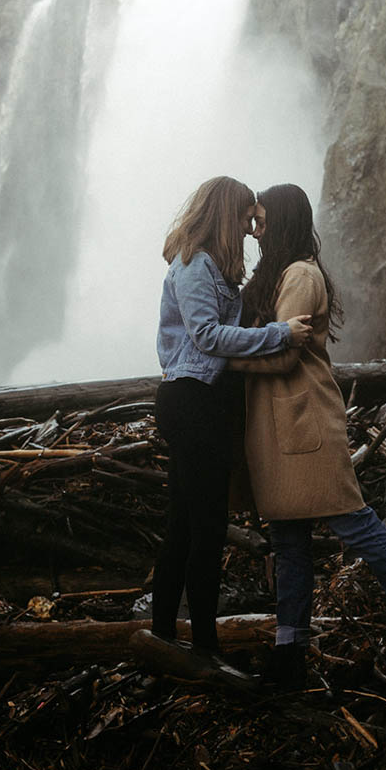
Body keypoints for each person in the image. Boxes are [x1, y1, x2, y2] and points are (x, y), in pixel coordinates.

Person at [229, 183, 386, 688]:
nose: (255, 229)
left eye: (262, 219)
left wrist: (220, 357)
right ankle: (290, 656)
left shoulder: (302, 275)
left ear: (282, 220)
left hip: (306, 422)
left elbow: (284, 354)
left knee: (359, 526)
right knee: (288, 543)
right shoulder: (276, 274)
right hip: (279, 428)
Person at [146, 176, 313, 657]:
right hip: (192, 402)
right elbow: (207, 336)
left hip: (199, 402)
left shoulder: (211, 268)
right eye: (245, 216)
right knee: (207, 528)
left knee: (183, 523)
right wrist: (279, 334)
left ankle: (163, 635)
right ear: (226, 214)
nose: (249, 227)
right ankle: (204, 647)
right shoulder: (196, 265)